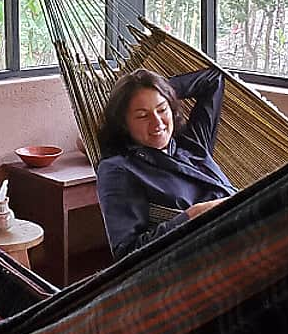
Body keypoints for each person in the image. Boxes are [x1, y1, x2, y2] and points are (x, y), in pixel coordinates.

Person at [95, 68, 237, 258]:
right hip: (203, 257)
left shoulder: (192, 143)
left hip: (246, 227)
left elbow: (213, 79)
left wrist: (157, 89)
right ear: (123, 123)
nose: (158, 123)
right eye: (142, 115)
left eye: (162, 110)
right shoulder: (118, 169)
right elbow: (126, 252)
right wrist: (191, 217)